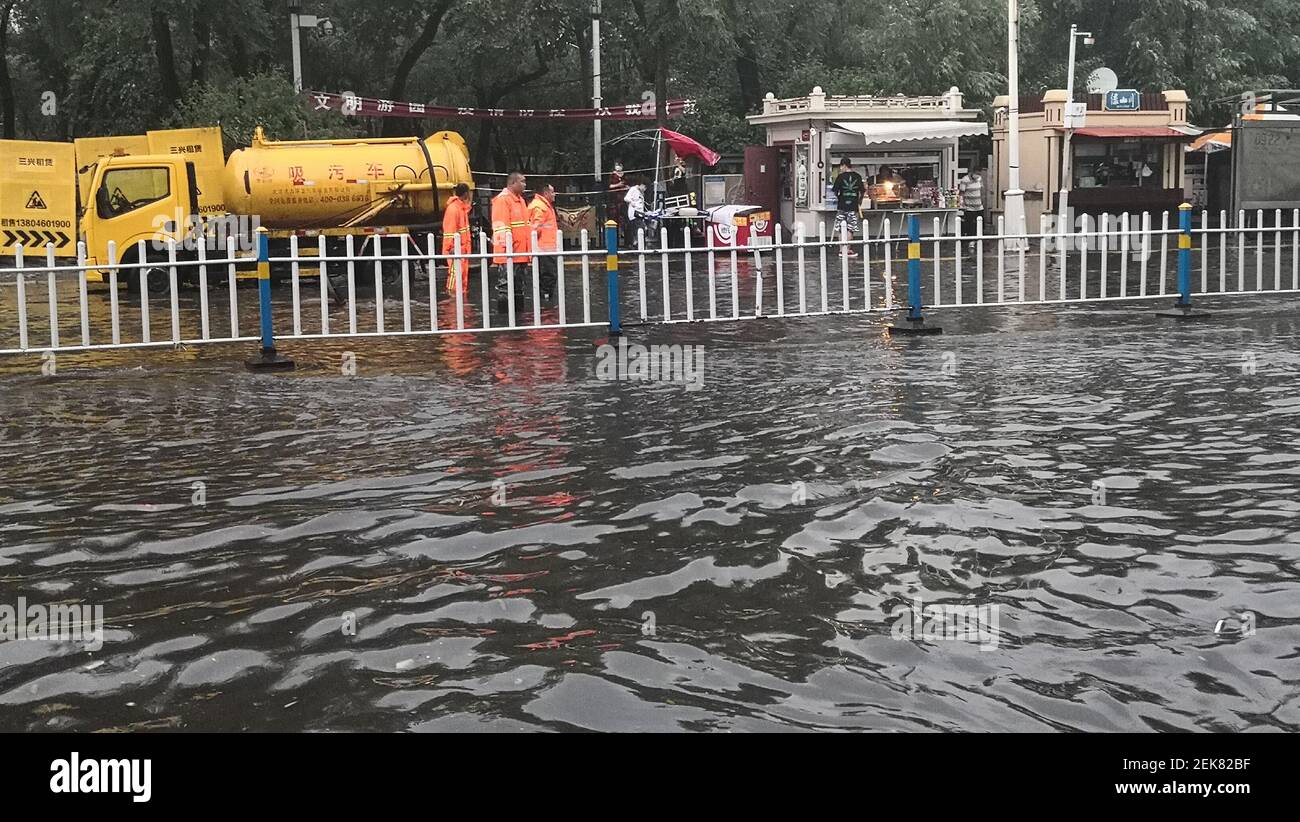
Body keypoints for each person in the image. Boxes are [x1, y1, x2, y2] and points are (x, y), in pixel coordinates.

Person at [490, 172, 531, 309]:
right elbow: (501, 228)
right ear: (513, 183)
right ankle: (506, 319)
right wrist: (506, 251)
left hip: (520, 253)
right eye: (522, 181)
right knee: (506, 288)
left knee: (518, 288)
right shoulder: (503, 200)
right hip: (509, 254)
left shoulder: (520, 200)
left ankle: (517, 318)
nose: (525, 184)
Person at [528, 183, 559, 303]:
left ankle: (545, 300)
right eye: (552, 192)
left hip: (546, 247)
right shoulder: (540, 207)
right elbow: (535, 227)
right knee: (548, 276)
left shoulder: (543, 205)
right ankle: (545, 301)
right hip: (544, 248)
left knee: (548, 276)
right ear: (546, 193)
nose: (554, 194)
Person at [441, 182, 472, 294]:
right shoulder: (454, 209)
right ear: (465, 194)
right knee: (455, 273)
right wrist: (451, 247)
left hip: (462, 248)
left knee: (462, 273)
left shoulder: (460, 208)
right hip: (456, 248)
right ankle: (452, 295)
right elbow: (449, 230)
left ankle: (460, 293)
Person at [831, 158, 865, 257]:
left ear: (844, 165)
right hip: (853, 206)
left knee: (841, 228)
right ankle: (848, 249)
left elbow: (835, 191)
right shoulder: (857, 176)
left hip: (842, 206)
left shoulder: (840, 177)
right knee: (850, 228)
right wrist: (859, 201)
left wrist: (840, 198)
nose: (840, 168)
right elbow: (862, 191)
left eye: (841, 166)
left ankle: (841, 250)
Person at [958, 167, 985, 251]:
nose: (978, 176)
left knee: (980, 224)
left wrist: (982, 201)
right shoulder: (965, 180)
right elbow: (961, 193)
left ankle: (977, 240)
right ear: (972, 173)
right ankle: (971, 241)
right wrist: (962, 204)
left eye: (979, 174)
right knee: (970, 225)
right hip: (969, 207)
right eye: (977, 174)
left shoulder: (979, 179)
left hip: (979, 206)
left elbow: (982, 190)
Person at [624, 178, 648, 245]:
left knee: (642, 230)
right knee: (641, 229)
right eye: (644, 187)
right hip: (635, 214)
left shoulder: (641, 192)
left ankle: (638, 244)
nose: (645, 189)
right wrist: (632, 202)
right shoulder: (633, 189)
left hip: (640, 214)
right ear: (641, 185)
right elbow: (626, 198)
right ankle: (637, 244)